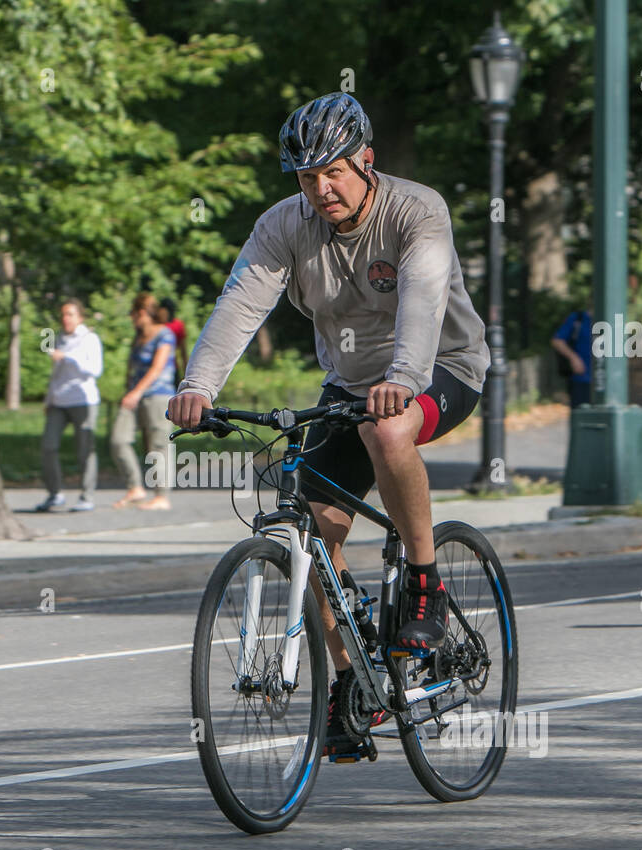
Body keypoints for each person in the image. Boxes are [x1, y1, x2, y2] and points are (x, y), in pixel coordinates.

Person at [167, 92, 488, 758]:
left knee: (388, 432)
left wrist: (402, 378)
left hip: (439, 370)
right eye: (307, 177)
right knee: (309, 533)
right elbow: (240, 304)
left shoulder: (415, 210)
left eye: (334, 172)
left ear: (367, 160)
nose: (321, 189)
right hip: (347, 386)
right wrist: (198, 386)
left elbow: (423, 302)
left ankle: (424, 580)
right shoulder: (286, 224)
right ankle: (351, 682)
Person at [111, 293, 177, 510]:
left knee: (158, 445)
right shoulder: (138, 337)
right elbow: (132, 369)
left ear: (142, 313)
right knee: (119, 439)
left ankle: (161, 496)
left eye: (133, 314)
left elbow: (157, 368)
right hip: (135, 395)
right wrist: (129, 390)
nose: (131, 319)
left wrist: (136, 392)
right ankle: (135, 487)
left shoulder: (165, 334)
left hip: (158, 396)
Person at [36, 299, 103, 512]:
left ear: (80, 317)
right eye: (63, 315)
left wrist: (68, 358)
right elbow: (56, 374)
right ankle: (54, 493)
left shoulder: (89, 339)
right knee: (48, 446)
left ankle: (87, 495)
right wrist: (49, 399)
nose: (66, 319)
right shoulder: (57, 338)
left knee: (85, 449)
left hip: (83, 400)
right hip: (59, 401)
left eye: (70, 314)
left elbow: (94, 369)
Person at [549, 304, 593, 407]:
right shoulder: (579, 319)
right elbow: (557, 341)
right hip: (581, 378)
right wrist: (574, 359)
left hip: (604, 381)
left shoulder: (611, 320)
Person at [158, 297, 187, 377]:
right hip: (173, 367)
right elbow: (183, 352)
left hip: (160, 368)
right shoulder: (178, 325)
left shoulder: (158, 325)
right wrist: (185, 372)